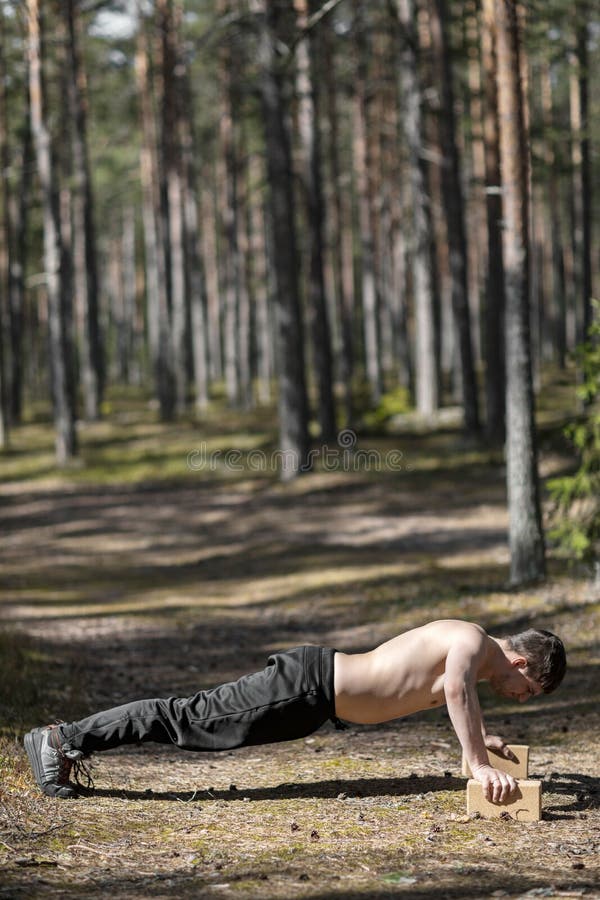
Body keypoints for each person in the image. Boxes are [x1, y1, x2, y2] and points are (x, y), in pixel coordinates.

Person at [24, 620, 565, 804]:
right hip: (304, 687)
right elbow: (454, 691)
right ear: (521, 662)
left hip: (310, 700)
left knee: (190, 724)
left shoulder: (474, 653)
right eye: (529, 690)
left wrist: (483, 740)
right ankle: (61, 740)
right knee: (184, 718)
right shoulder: (471, 644)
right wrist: (476, 763)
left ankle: (65, 741)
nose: (521, 697)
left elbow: (458, 692)